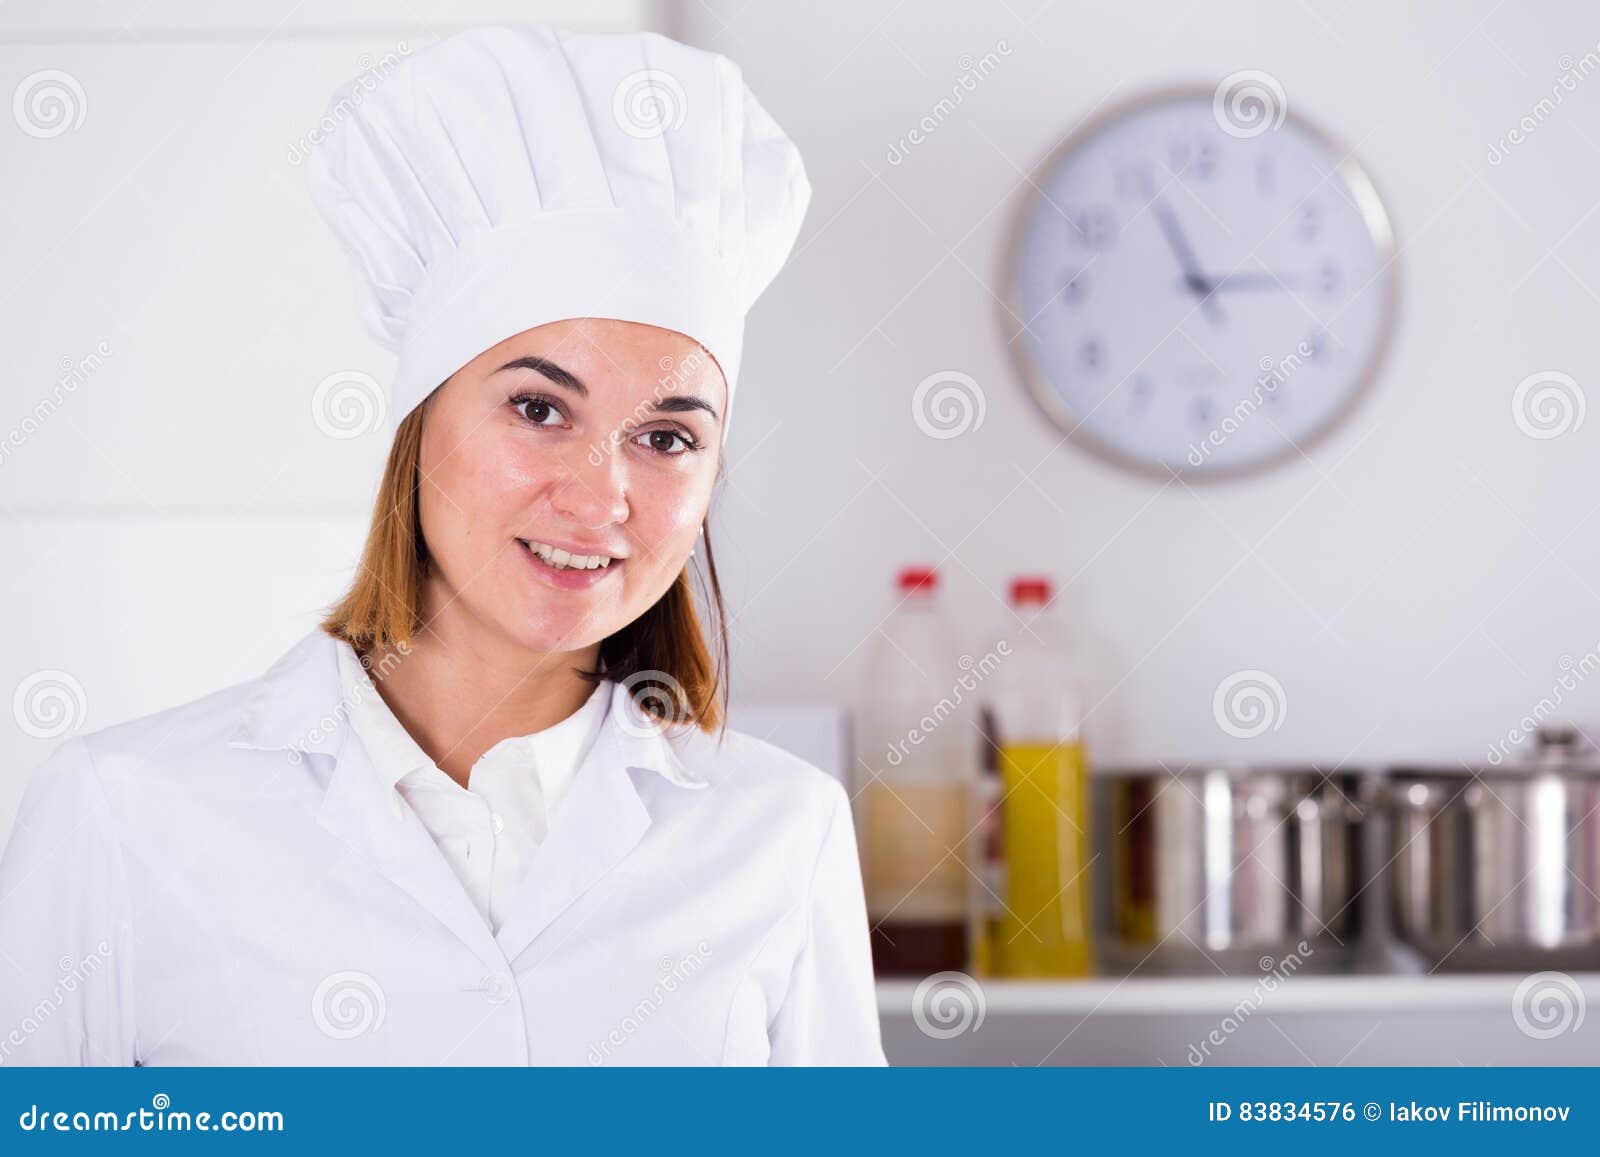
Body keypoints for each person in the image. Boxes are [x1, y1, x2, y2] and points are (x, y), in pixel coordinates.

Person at [0, 24, 886, 1066]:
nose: (601, 495)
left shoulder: (779, 833)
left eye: (666, 437)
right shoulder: (126, 818)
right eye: (538, 408)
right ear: (421, 428)